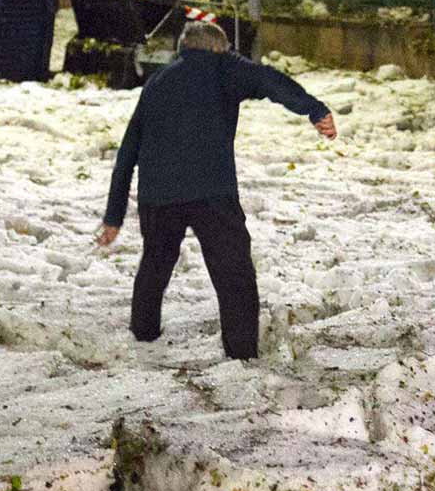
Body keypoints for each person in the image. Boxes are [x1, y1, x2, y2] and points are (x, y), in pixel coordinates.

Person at [97, 20, 336, 357]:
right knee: (234, 273)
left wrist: (113, 216)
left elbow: (127, 152)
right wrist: (314, 109)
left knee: (155, 264)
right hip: (211, 192)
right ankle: (241, 351)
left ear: (184, 48)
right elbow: (269, 79)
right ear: (220, 48)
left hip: (159, 194)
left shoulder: (157, 81)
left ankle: (143, 336)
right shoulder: (224, 67)